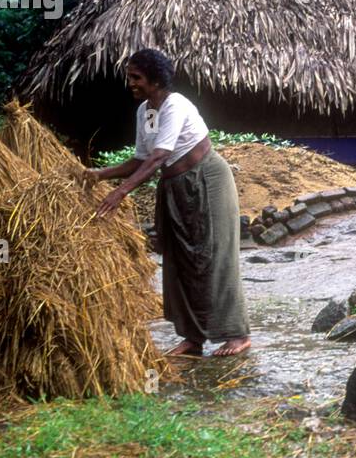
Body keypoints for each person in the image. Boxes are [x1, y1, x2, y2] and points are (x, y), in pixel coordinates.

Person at [86, 49, 250, 356]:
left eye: (136, 77)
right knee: (180, 260)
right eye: (129, 77)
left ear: (155, 79)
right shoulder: (146, 112)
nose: (130, 83)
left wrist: (121, 193)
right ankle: (192, 338)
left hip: (205, 179)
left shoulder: (175, 105)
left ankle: (237, 334)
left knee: (214, 254)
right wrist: (99, 175)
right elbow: (141, 159)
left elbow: (161, 155)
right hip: (174, 186)